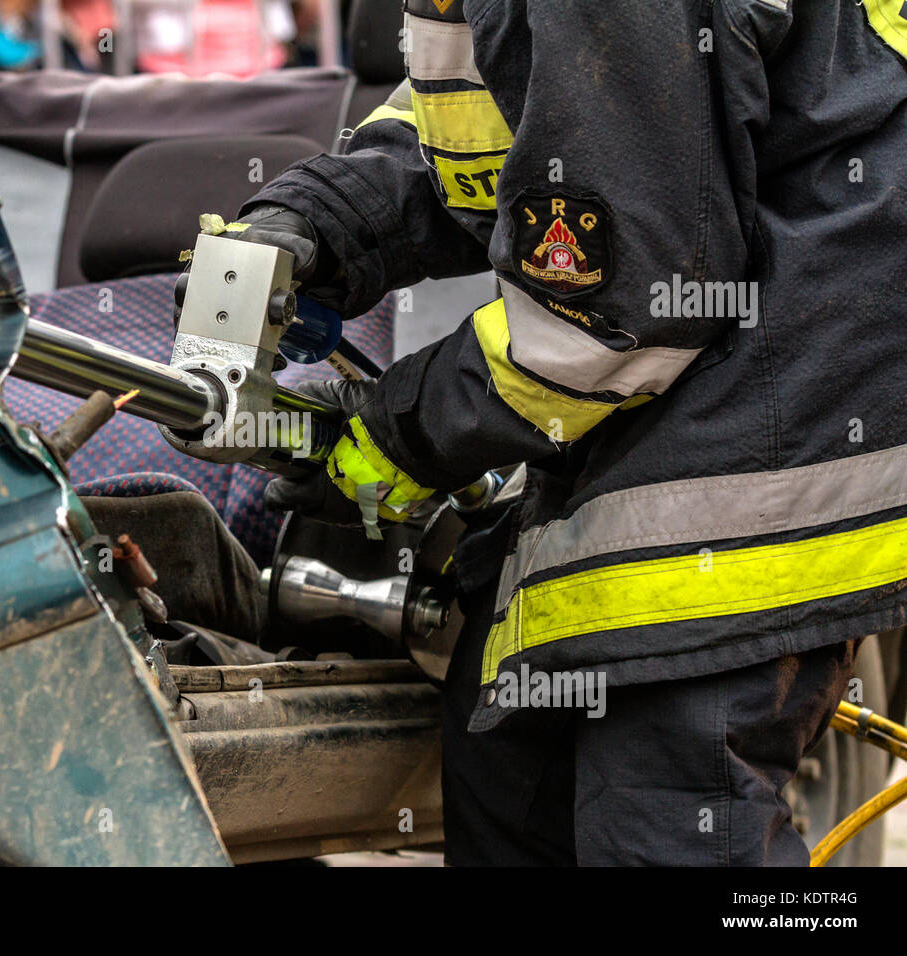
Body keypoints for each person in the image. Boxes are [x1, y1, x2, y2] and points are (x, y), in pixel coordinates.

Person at [212, 0, 907, 864]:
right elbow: (502, 117)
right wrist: (322, 221)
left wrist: (397, 435)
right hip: (684, 425)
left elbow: (621, 312)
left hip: (758, 466)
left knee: (663, 824)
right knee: (508, 781)